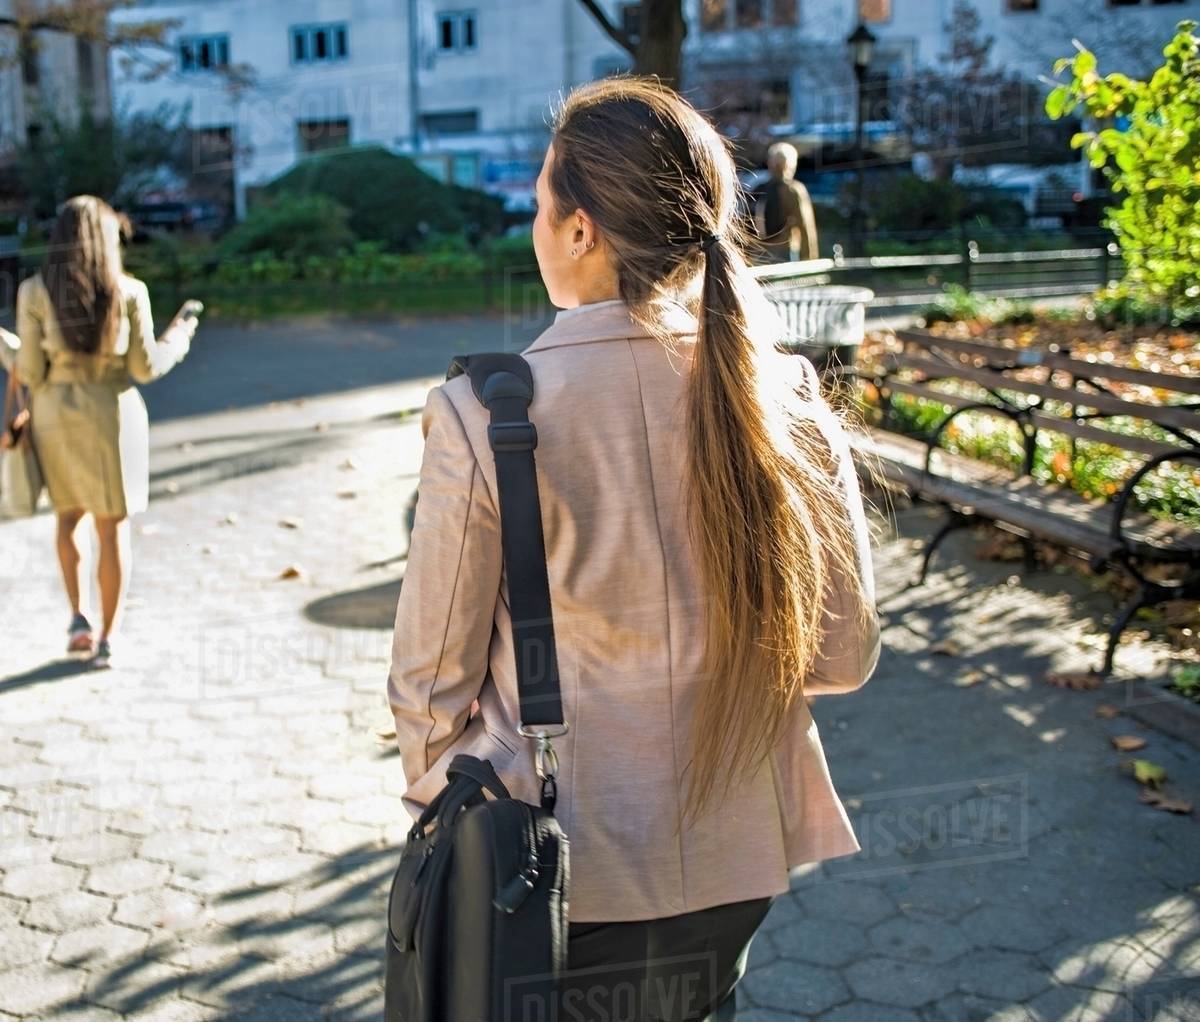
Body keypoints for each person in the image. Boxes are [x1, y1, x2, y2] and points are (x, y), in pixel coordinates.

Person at [388, 79, 881, 1022]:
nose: (533, 225)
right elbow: (842, 657)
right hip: (739, 847)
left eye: (540, 203)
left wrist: (457, 815)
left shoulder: (487, 413)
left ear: (580, 231)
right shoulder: (781, 395)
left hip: (549, 860)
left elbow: (429, 680)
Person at [15, 195, 198, 668]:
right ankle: (110, 637)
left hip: (55, 413)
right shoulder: (129, 291)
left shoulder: (34, 291)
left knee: (67, 517)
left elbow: (31, 373)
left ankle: (79, 618)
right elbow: (145, 367)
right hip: (113, 415)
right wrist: (178, 339)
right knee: (112, 526)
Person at [755, 140, 819, 264]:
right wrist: (811, 261)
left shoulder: (761, 189)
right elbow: (805, 226)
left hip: (769, 251)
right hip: (780, 251)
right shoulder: (791, 190)